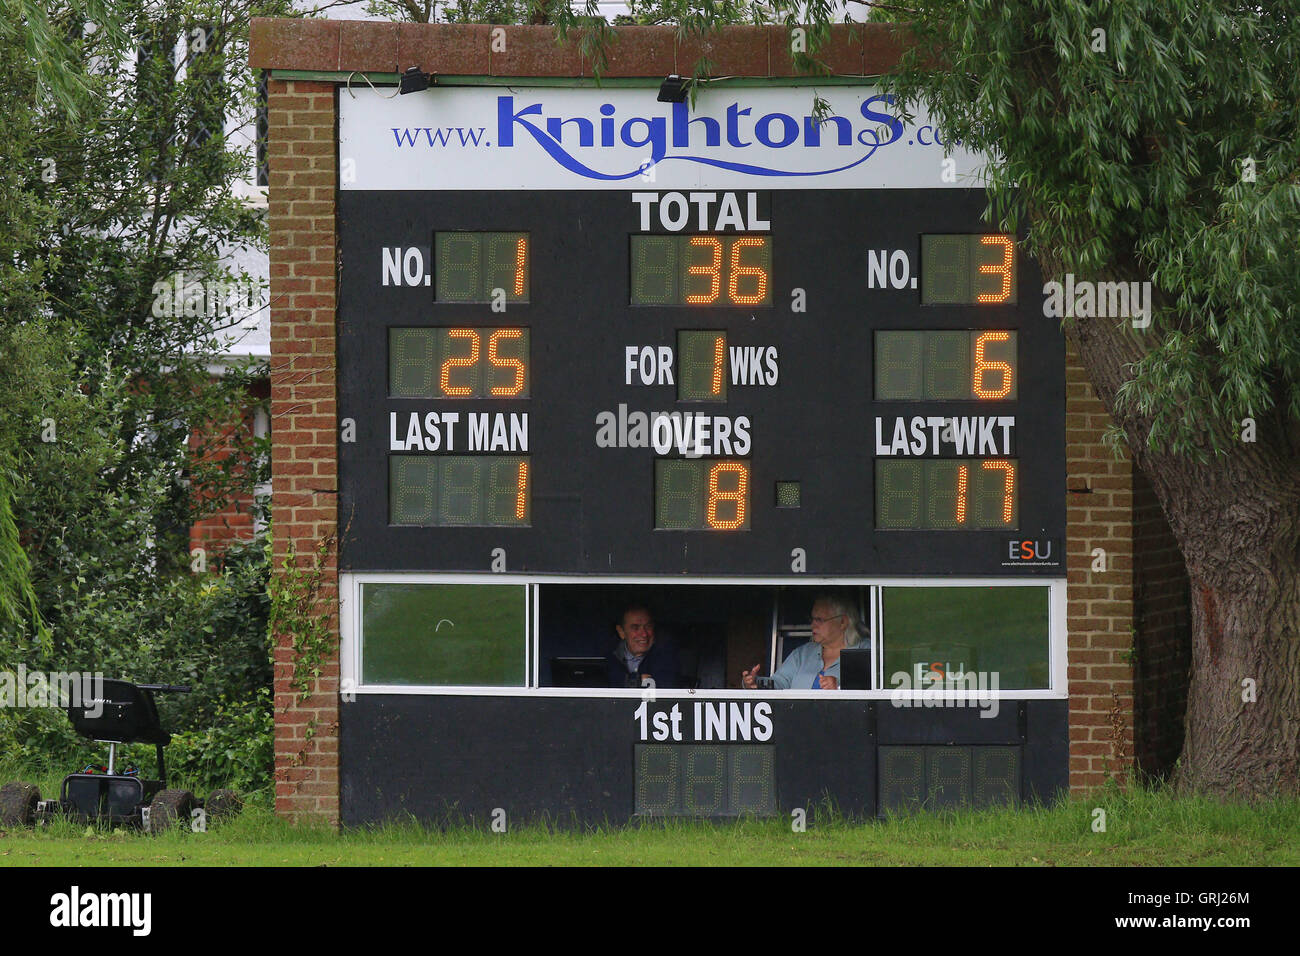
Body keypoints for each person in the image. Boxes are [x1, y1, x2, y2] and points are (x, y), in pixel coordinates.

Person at [741, 595, 864, 690]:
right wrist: (755, 683)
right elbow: (779, 683)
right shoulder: (802, 653)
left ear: (842, 622)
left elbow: (871, 693)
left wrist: (839, 689)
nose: (812, 625)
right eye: (812, 619)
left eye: (819, 620)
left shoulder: (866, 650)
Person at [607, 604, 681, 688]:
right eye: (635, 627)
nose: (644, 634)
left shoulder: (667, 655)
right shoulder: (609, 656)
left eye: (648, 626)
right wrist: (638, 680)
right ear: (621, 632)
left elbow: (667, 686)